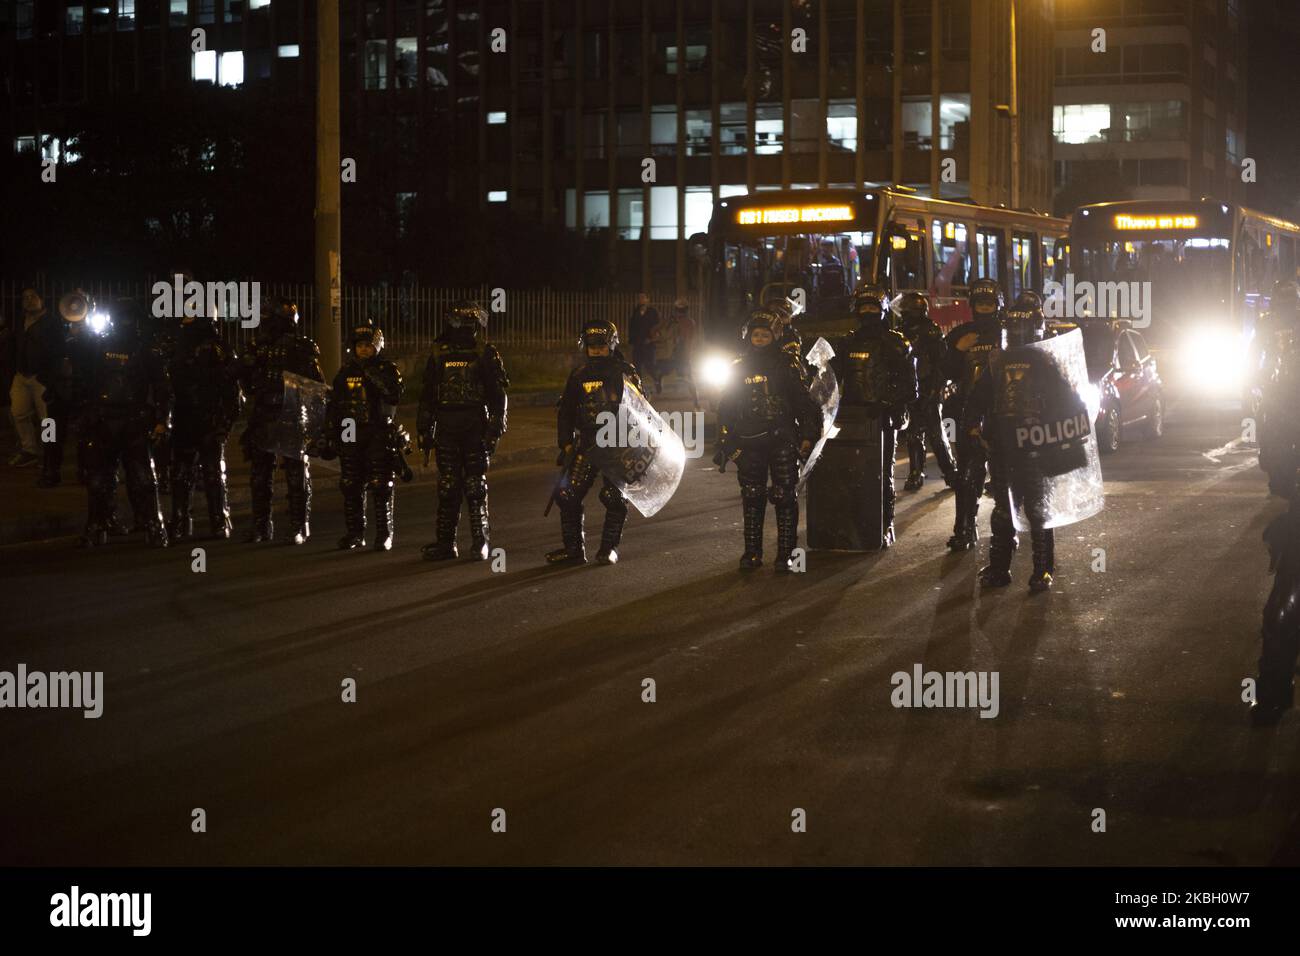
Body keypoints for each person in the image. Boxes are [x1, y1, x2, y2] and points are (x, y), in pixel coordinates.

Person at [714, 307, 822, 571]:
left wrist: (808, 435)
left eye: (764, 335)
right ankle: (752, 553)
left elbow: (803, 403)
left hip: (781, 438)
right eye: (755, 335)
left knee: (785, 496)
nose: (759, 339)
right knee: (752, 497)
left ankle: (786, 555)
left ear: (774, 336)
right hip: (748, 440)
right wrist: (725, 440)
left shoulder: (787, 365)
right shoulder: (737, 367)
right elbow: (726, 406)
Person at [963, 291, 1057, 591]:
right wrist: (972, 425)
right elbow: (978, 397)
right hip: (1002, 442)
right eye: (1013, 329)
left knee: (1037, 508)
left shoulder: (1045, 362)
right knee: (1003, 508)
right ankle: (1000, 568)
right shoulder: (997, 363)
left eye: (1022, 329)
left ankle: (1042, 569)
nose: (1017, 334)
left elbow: (1064, 402)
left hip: (1034, 442)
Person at [417, 300, 509, 561]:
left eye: (468, 323)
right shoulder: (439, 352)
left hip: (474, 426)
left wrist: (495, 425)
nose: (463, 328)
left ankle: (481, 541)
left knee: (475, 486)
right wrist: (423, 428)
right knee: (447, 486)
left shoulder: (485, 353)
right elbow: (427, 394)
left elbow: (498, 393)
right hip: (445, 425)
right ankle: (445, 542)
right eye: (459, 322)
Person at [76, 299, 172, 548]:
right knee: (99, 478)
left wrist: (163, 419)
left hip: (133, 419)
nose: (124, 323)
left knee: (141, 477)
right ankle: (99, 524)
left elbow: (162, 386)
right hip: (106, 418)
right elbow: (86, 377)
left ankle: (152, 524)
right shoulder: (99, 344)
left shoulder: (146, 348)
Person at [829, 283, 918, 547]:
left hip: (882, 419)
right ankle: (854, 524)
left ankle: (884, 523)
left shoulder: (896, 342)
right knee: (851, 473)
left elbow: (910, 385)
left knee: (882, 473)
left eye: (873, 307)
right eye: (863, 308)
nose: (868, 312)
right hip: (852, 418)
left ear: (882, 310)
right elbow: (832, 378)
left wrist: (887, 403)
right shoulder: (847, 342)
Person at [546, 318, 640, 566]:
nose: (597, 349)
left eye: (601, 344)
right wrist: (565, 443)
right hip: (587, 443)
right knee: (567, 494)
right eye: (592, 345)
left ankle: (608, 549)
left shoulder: (624, 371)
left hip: (616, 444)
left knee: (613, 496)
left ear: (611, 345)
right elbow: (565, 411)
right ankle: (574, 550)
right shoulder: (578, 375)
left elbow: (641, 410)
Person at [238, 297, 324, 545]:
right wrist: (250, 362)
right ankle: (261, 525)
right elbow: (240, 374)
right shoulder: (258, 346)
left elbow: (316, 384)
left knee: (296, 474)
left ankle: (299, 525)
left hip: (291, 413)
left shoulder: (301, 346)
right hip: (264, 411)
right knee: (260, 473)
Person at [327, 320, 406, 551]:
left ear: (377, 347)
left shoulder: (387, 369)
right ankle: (355, 533)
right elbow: (335, 403)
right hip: (351, 428)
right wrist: (331, 431)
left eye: (368, 345)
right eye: (360, 345)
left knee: (380, 484)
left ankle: (384, 534)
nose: (363, 349)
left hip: (377, 430)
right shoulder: (345, 371)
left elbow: (394, 395)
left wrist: (373, 376)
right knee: (351, 483)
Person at [167, 298, 242, 540]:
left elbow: (231, 390)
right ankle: (212, 521)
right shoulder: (208, 346)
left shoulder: (205, 347)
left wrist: (225, 421)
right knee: (199, 472)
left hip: (195, 416)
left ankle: (188, 522)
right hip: (196, 416)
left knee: (192, 472)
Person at [943, 278, 1006, 551]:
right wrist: (958, 351)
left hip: (1003, 414)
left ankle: (1015, 528)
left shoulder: (1008, 333)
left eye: (989, 303)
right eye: (979, 303)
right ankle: (964, 528)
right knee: (968, 475)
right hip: (969, 413)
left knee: (1007, 477)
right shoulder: (960, 335)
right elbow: (944, 373)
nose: (984, 308)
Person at [896, 291, 957, 491]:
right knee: (914, 433)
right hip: (910, 389)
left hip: (927, 387)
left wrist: (934, 390)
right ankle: (916, 473)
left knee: (935, 434)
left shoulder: (931, 331)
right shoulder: (900, 332)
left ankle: (949, 471)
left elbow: (941, 363)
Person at [35, 292, 92, 488]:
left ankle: (85, 470)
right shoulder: (54, 332)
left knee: (85, 435)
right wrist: (49, 383)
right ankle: (49, 470)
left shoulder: (91, 335)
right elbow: (43, 359)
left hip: (81, 392)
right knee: (50, 435)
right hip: (56, 391)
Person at [8, 287, 55, 468]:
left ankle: (50, 451)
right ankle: (29, 450)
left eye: (33, 296)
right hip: (21, 375)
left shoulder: (51, 322)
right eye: (25, 297)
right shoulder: (20, 321)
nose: (28, 300)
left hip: (42, 377)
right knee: (18, 413)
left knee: (47, 419)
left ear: (42, 300)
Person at [648, 297, 699, 407]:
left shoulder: (685, 322)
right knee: (688, 379)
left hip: (677, 355)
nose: (679, 313)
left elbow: (655, 330)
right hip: (675, 354)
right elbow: (655, 330)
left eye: (680, 310)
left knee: (665, 373)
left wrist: (657, 336)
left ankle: (696, 403)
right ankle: (696, 404)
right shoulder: (683, 322)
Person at [628, 293, 659, 388]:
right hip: (638, 343)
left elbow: (658, 327)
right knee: (636, 366)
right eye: (639, 298)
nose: (641, 300)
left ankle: (657, 381)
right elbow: (632, 327)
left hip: (649, 343)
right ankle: (639, 386)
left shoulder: (653, 312)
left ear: (647, 300)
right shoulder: (635, 311)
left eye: (643, 298)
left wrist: (652, 338)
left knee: (650, 366)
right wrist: (632, 341)